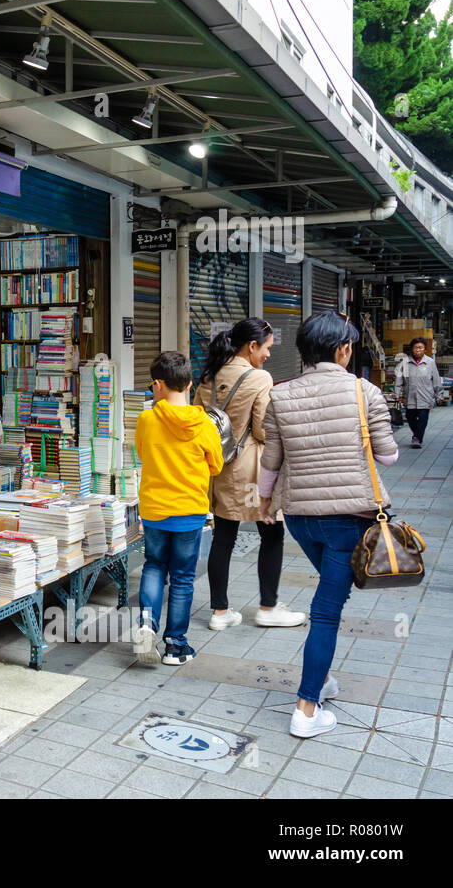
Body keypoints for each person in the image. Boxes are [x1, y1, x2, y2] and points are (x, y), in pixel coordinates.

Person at [259, 311, 399, 738]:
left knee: (329, 600)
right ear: (342, 349)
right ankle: (305, 709)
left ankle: (320, 679)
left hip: (300, 517)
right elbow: (388, 456)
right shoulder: (364, 391)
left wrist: (265, 503)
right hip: (347, 520)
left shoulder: (280, 396)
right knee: (326, 613)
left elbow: (271, 462)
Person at [194, 318, 305, 631]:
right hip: (254, 469)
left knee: (223, 537)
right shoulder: (259, 378)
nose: (269, 354)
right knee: (272, 534)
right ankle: (268, 607)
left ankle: (219, 612)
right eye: (267, 348)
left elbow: (200, 423)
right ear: (252, 346)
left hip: (219, 467)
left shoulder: (209, 376)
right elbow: (262, 428)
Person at [133, 351, 225, 666]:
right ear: (189, 384)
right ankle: (175, 646)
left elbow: (143, 453)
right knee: (183, 577)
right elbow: (216, 466)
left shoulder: (146, 419)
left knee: (154, 566)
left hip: (155, 510)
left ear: (158, 385)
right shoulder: (204, 424)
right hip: (189, 511)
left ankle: (146, 624)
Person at [396, 336, 439, 448]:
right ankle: (417, 435)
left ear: (425, 349)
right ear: (412, 349)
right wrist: (396, 394)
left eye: (421, 348)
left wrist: (437, 394)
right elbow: (399, 380)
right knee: (410, 418)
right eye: (416, 347)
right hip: (409, 396)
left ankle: (417, 439)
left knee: (423, 419)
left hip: (425, 396)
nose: (418, 350)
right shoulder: (405, 363)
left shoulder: (430, 362)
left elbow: (436, 380)